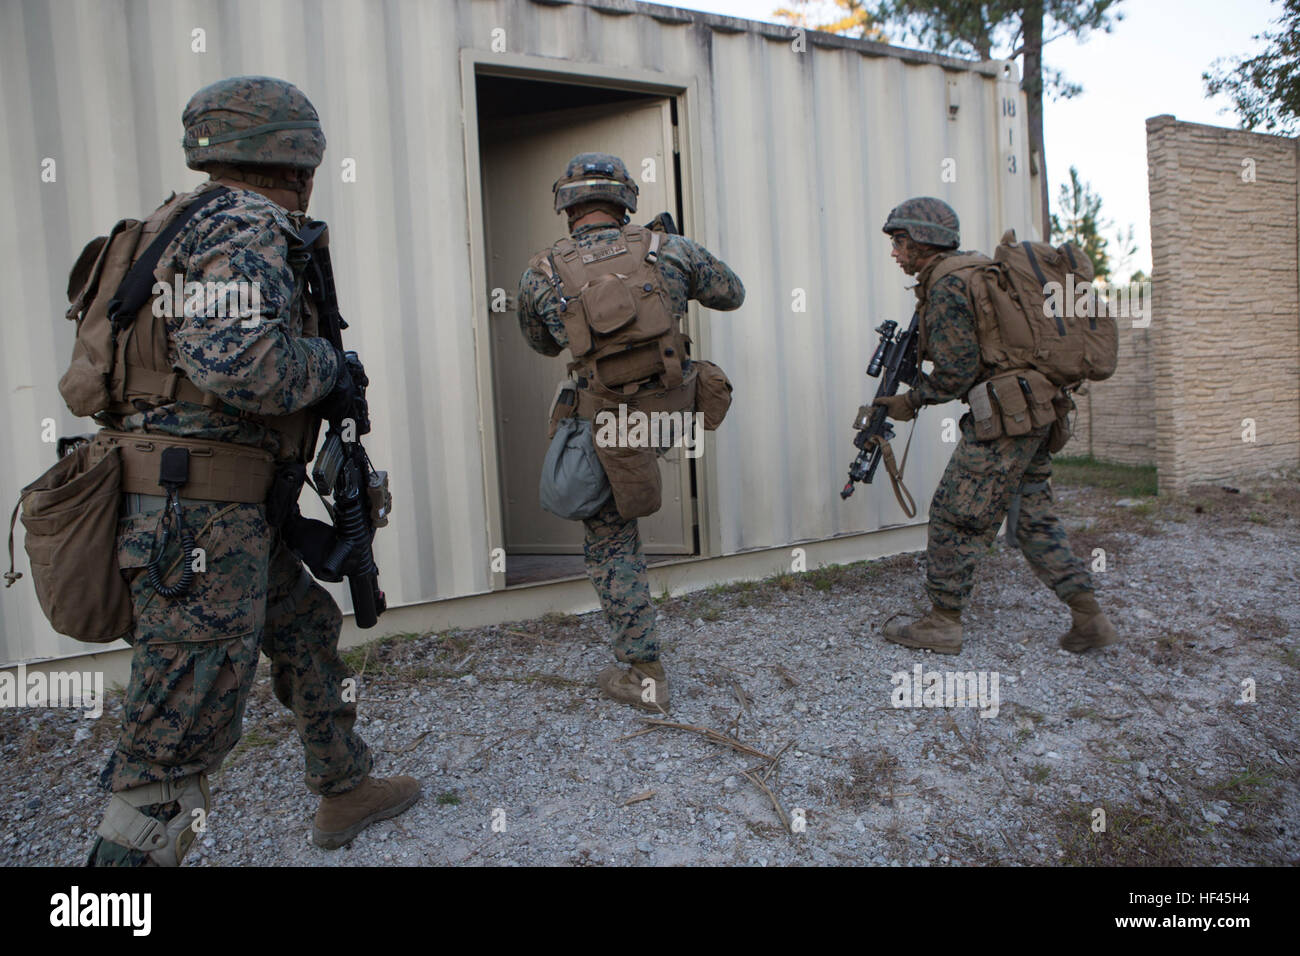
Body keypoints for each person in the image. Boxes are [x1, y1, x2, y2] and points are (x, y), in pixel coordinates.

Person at [85, 75, 419, 866]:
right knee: (178, 736)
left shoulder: (174, 221)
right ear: (299, 157)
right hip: (197, 516)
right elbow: (245, 364)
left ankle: (345, 786)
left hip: (204, 503)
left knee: (304, 628)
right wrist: (332, 364)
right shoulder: (245, 224)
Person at [516, 153, 744, 711]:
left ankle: (644, 673)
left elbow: (544, 344)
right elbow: (731, 293)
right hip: (672, 412)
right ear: (625, 202)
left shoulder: (541, 272)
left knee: (611, 538)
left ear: (567, 208)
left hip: (611, 423)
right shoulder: (670, 249)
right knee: (629, 481)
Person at [873, 197, 1118, 656]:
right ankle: (1089, 617)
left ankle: (943, 622)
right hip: (1037, 413)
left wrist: (911, 399)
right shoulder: (976, 271)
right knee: (1031, 517)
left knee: (955, 513)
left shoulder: (948, 285)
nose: (895, 253)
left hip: (1007, 419)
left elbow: (956, 371)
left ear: (923, 241)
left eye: (900, 242)